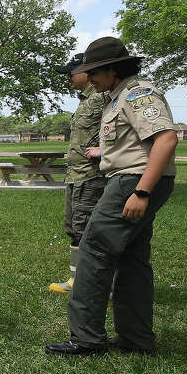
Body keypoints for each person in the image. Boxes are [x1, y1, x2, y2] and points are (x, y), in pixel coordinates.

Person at [46, 37, 177, 356]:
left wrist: (141, 191)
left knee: (94, 250)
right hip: (132, 179)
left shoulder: (137, 93)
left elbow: (166, 140)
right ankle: (136, 338)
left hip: (133, 181)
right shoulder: (116, 96)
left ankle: (86, 337)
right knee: (132, 258)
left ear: (113, 69)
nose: (89, 78)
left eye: (94, 72)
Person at [48, 53, 107, 294]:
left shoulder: (103, 97)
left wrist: (105, 151)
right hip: (76, 175)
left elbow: (122, 130)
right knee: (74, 229)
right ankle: (77, 280)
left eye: (71, 73)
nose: (68, 78)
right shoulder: (86, 100)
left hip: (92, 176)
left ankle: (95, 285)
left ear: (87, 71)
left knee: (87, 231)